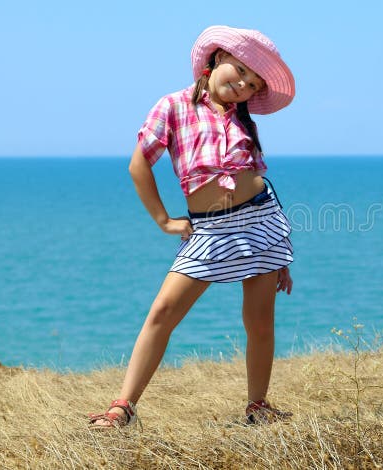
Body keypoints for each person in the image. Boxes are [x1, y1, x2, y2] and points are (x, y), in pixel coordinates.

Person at [88, 25, 296, 428]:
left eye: (252, 84)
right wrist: (164, 220)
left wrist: (281, 250)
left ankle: (258, 406)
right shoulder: (173, 106)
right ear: (216, 59)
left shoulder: (243, 120)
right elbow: (138, 165)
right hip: (210, 229)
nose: (242, 85)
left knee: (259, 321)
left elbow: (253, 173)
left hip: (260, 221)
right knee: (163, 311)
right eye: (239, 72)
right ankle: (122, 408)